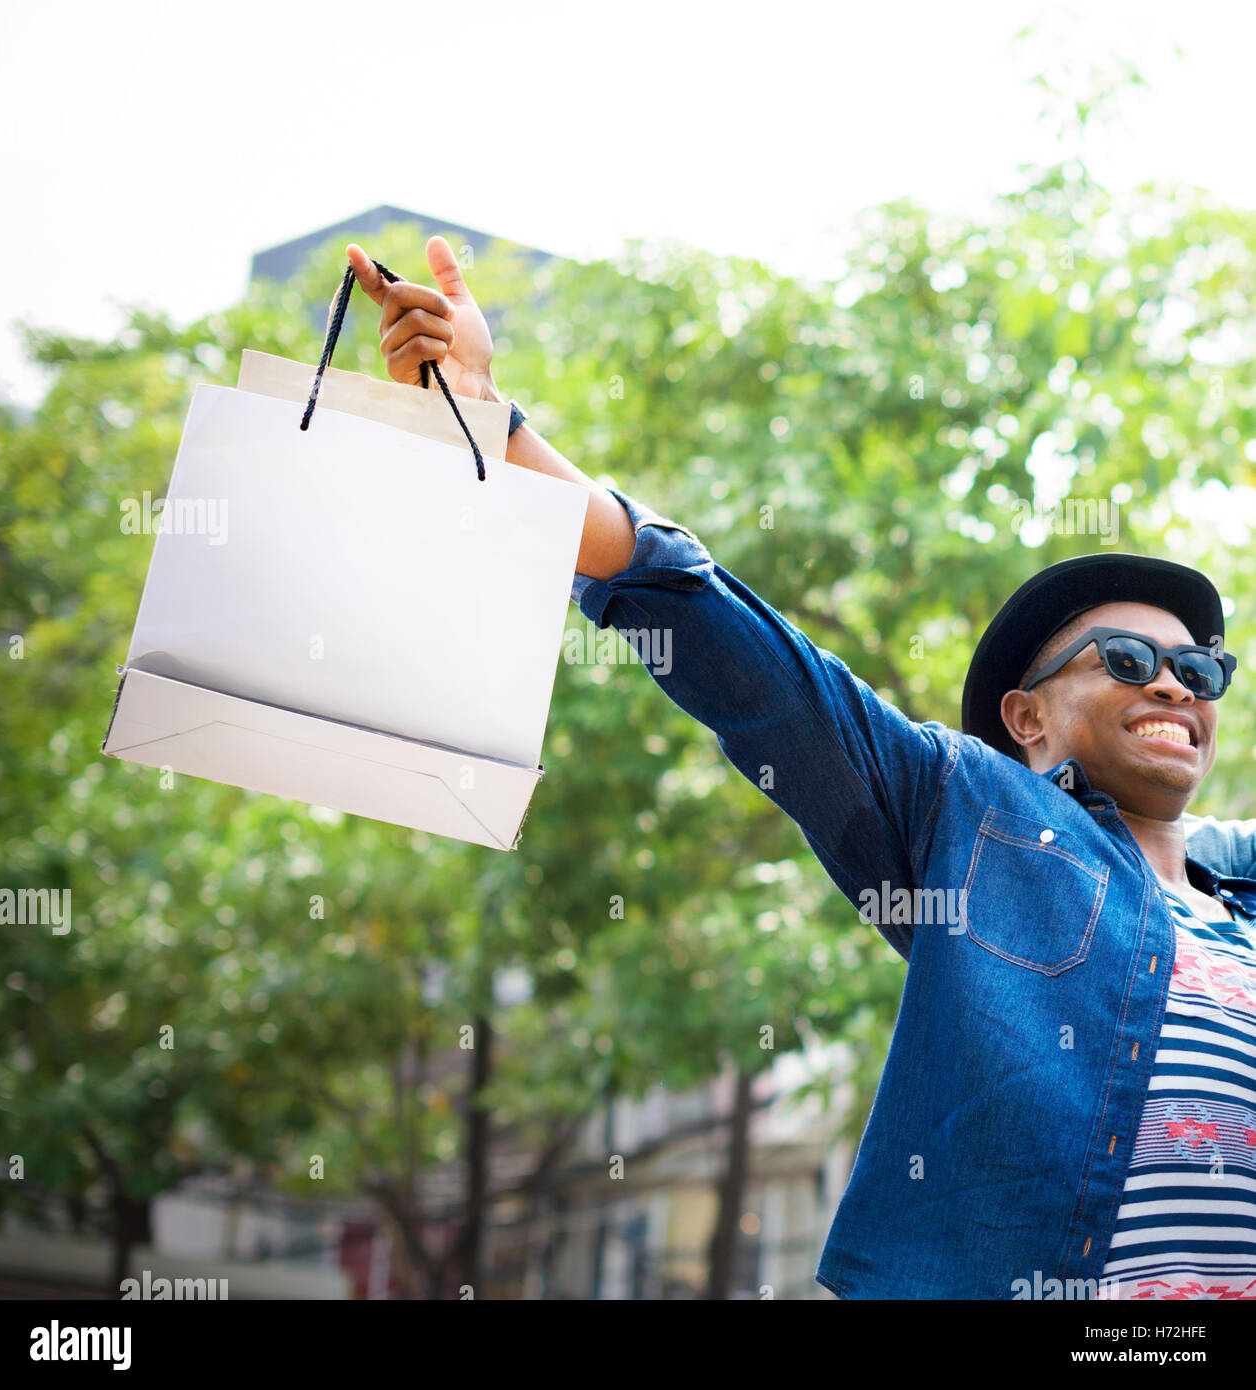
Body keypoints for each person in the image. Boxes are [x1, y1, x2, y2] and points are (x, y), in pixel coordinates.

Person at [345, 238, 1256, 1301]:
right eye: (1132, 660)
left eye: (1198, 668)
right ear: (1029, 718)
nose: (1172, 686)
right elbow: (739, 647)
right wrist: (493, 422)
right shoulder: (965, 813)